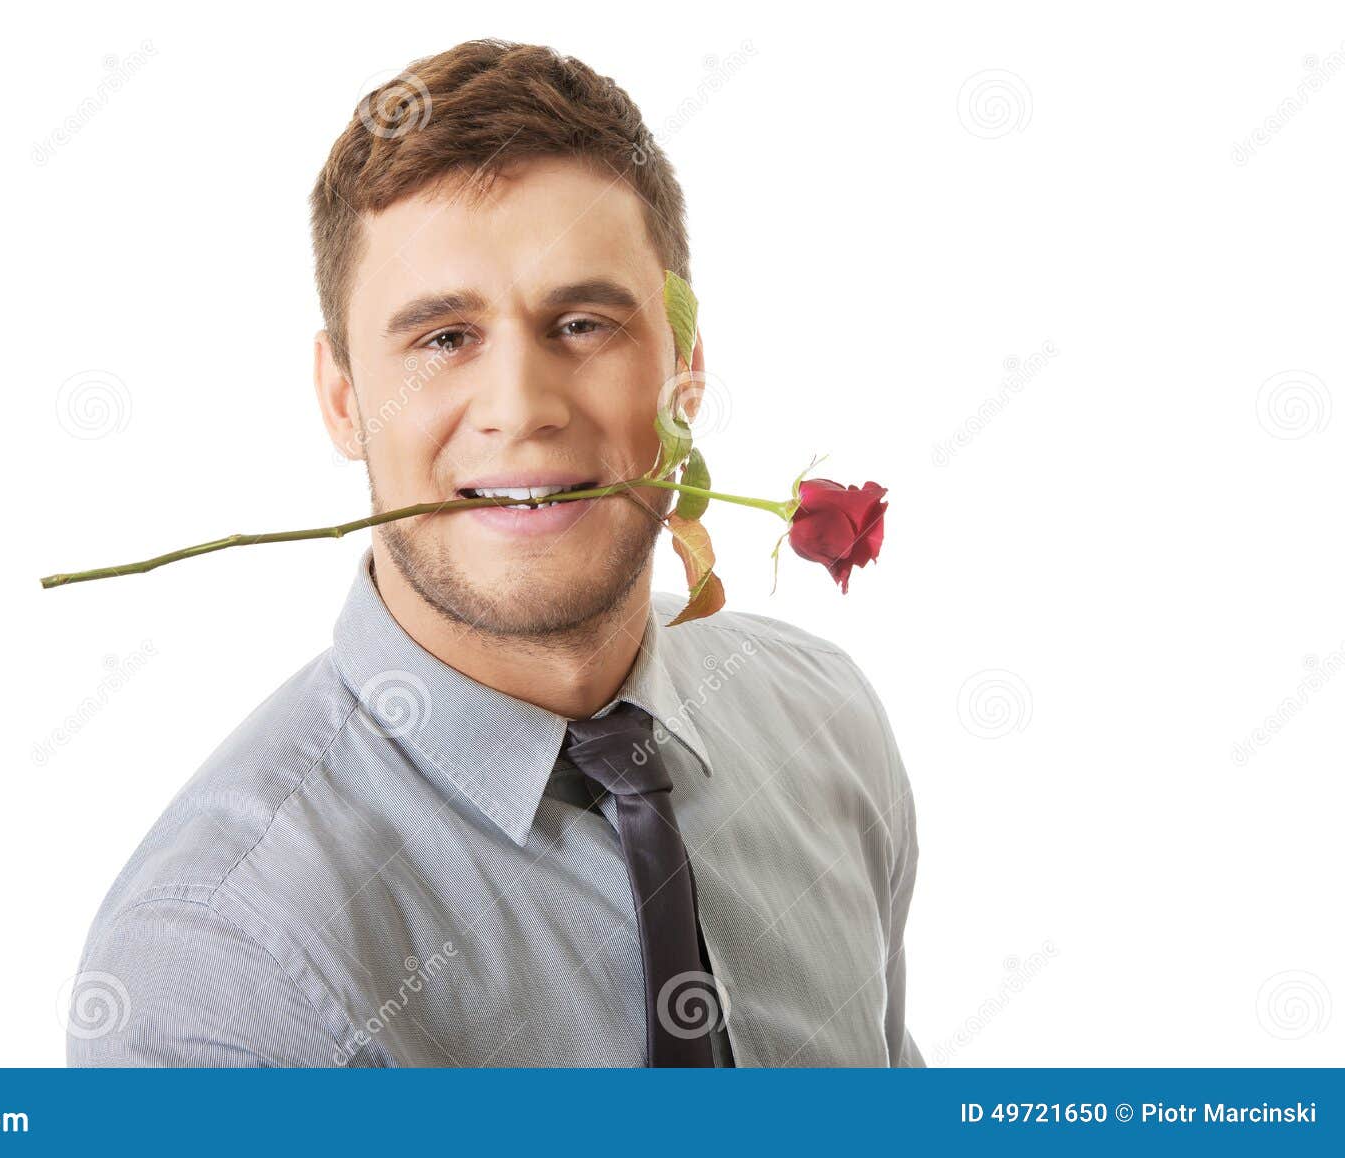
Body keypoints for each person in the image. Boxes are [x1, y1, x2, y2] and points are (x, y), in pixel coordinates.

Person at [67, 37, 922, 1068]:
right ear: (344, 400)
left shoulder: (826, 729)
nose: (519, 412)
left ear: (686, 374)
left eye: (581, 323)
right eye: (442, 338)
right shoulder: (218, 953)